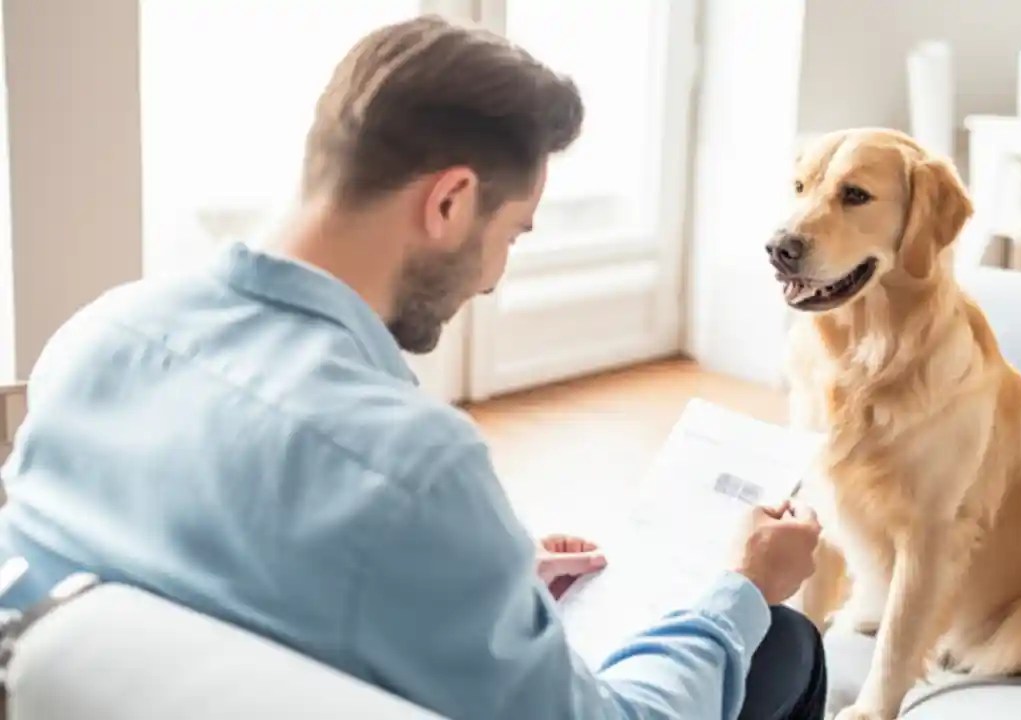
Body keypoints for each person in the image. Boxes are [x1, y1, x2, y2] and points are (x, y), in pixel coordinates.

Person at [0, 15, 827, 720]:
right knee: (778, 643)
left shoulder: (97, 336)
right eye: (514, 233)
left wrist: (472, 580)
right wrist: (744, 587)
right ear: (449, 202)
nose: (497, 275)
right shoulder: (407, 470)